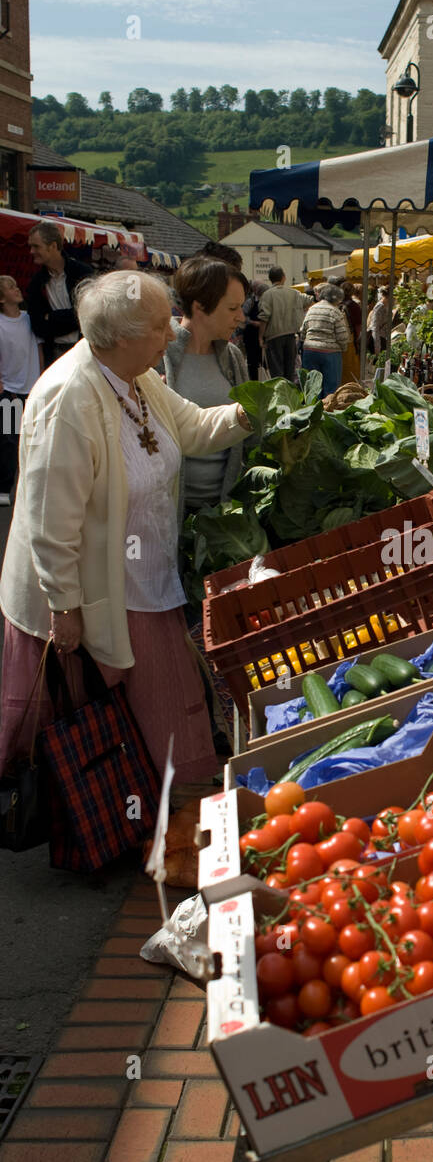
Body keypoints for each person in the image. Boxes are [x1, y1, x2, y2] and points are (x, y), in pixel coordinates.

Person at [0, 271, 252, 785]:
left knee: (152, 713)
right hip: (95, 593)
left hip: (145, 580)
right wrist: (64, 604)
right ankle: (115, 827)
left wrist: (259, 411)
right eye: (160, 327)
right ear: (119, 337)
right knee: (93, 729)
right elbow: (49, 518)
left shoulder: (141, 379)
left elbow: (196, 428)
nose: (171, 335)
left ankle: (146, 819)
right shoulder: (69, 397)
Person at [160, 256, 249, 522]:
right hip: (171, 514)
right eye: (233, 308)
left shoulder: (232, 357)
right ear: (199, 307)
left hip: (222, 512)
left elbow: (251, 428)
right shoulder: (156, 356)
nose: (241, 317)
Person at [25, 220, 94, 369]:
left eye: (36, 246)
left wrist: (53, 317)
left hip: (86, 352)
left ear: (53, 246)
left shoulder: (83, 273)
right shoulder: (36, 282)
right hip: (54, 355)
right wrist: (72, 317)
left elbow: (91, 314)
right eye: (30, 246)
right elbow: (38, 326)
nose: (31, 251)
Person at [0, 276, 42, 505]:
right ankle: (5, 487)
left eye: (16, 285)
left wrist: (42, 375)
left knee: (38, 438)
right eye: (10, 287)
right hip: (11, 391)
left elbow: (38, 348)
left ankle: (33, 488)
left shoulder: (29, 320)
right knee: (9, 440)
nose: (17, 289)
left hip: (34, 389)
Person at [299, 283, 350, 397]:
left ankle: (313, 411)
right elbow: (342, 336)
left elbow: (303, 331)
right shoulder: (335, 311)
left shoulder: (311, 309)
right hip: (330, 353)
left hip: (310, 350)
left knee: (312, 387)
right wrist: (343, 348)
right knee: (331, 388)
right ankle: (327, 411)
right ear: (336, 299)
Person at [258, 266, 305, 380]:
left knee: (277, 371)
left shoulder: (267, 295)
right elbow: (307, 301)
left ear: (270, 279)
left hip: (274, 337)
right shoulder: (293, 293)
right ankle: (289, 395)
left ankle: (280, 395)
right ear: (283, 277)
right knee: (290, 371)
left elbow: (264, 318)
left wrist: (260, 337)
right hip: (290, 335)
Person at [241, 279, 266, 380]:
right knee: (252, 361)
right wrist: (252, 322)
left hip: (262, 334)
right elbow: (243, 315)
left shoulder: (265, 302)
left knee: (262, 360)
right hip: (251, 334)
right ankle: (253, 380)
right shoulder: (250, 302)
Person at [367, 286, 390, 356]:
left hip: (382, 339)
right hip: (378, 340)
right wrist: (377, 347)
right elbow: (375, 327)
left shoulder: (385, 306)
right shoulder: (380, 307)